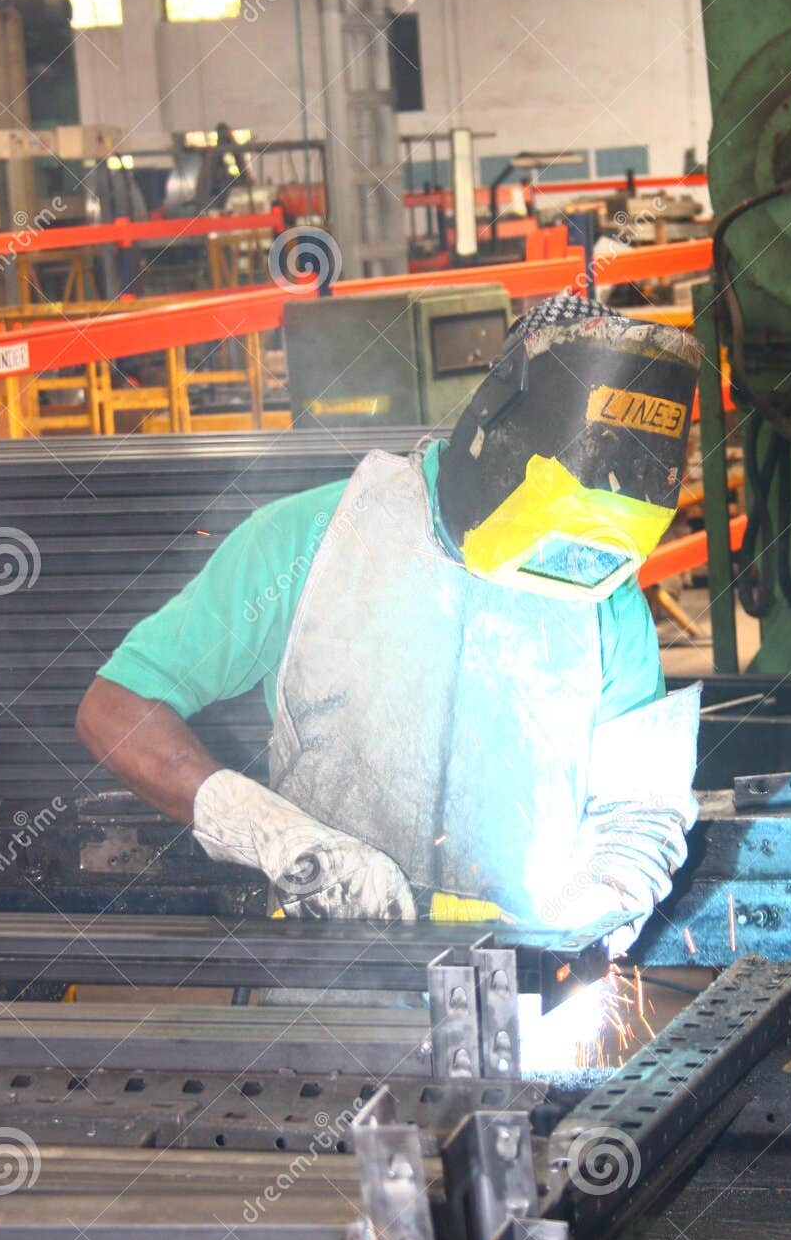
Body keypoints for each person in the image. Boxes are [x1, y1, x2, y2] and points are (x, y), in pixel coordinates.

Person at [76, 292, 703, 942]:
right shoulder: (306, 544)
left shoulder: (601, 584)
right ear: (494, 436)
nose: (560, 576)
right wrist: (270, 832)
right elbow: (114, 708)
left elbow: (638, 801)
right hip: (328, 989)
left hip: (528, 985)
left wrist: (606, 888)